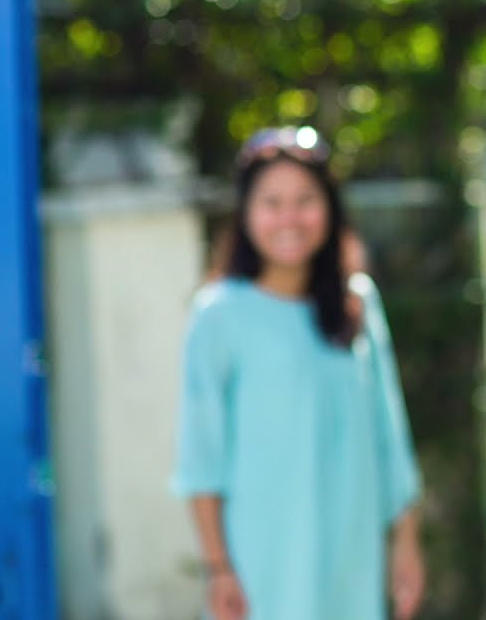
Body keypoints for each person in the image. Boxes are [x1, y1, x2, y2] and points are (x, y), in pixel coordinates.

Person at [172, 126, 427, 620]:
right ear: (246, 214)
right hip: (258, 568)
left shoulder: (359, 302)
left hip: (351, 560)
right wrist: (218, 568)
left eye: (305, 199)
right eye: (271, 202)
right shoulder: (217, 314)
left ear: (330, 209)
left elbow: (388, 433)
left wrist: (406, 543)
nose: (289, 217)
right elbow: (200, 455)